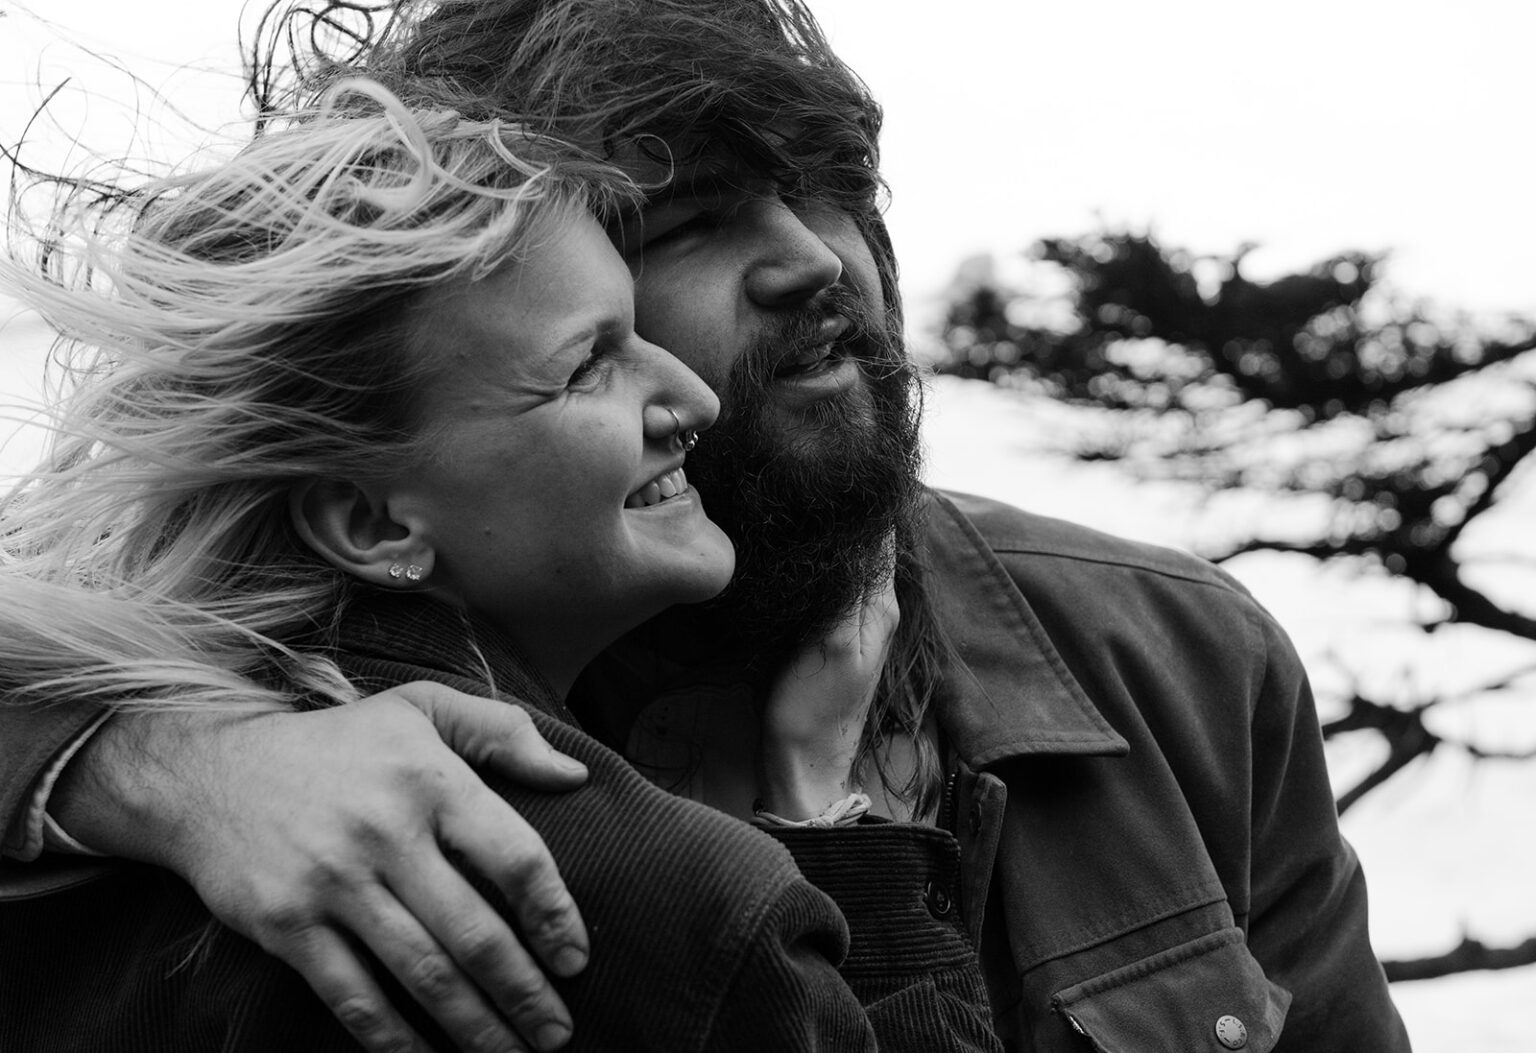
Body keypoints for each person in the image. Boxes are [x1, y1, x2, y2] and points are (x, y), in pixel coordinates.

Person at [2, 0, 1413, 1050]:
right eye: (693, 221)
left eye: (832, 187)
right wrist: (160, 762)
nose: (816, 259)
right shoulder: (377, 746)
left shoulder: (1183, 656)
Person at [0, 74, 999, 1052]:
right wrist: (834, 820)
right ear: (370, 523)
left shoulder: (93, 805)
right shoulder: (671, 906)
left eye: (637, 330)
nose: (693, 397)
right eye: (586, 367)